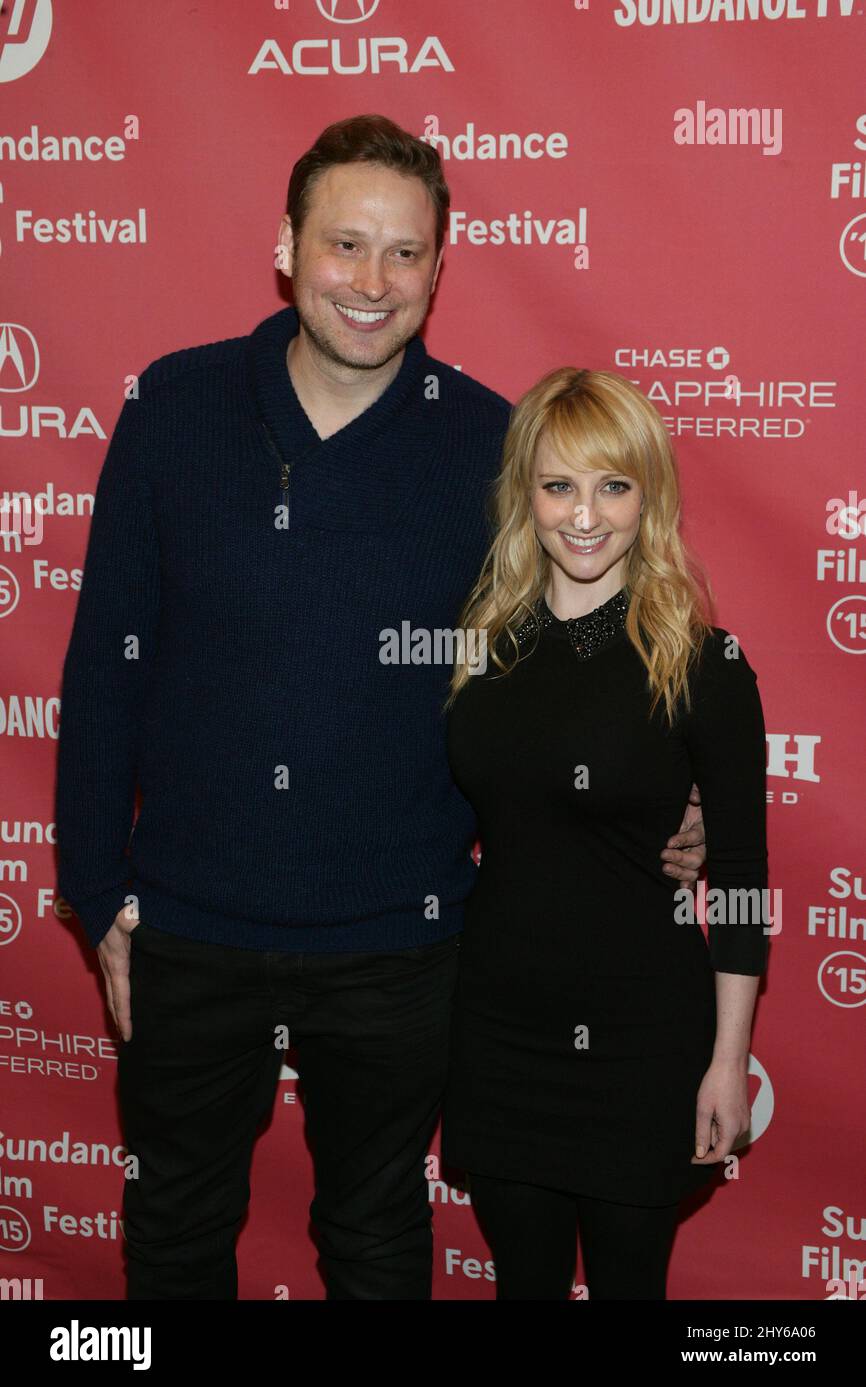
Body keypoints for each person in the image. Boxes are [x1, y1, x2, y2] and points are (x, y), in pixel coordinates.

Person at [55, 115, 706, 1301]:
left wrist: (668, 794)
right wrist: (98, 890)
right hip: (189, 927)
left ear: (440, 269)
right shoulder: (176, 407)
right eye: (345, 245)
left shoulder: (490, 443)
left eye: (404, 254)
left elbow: (571, 661)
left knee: (373, 1239)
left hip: (401, 938)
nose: (371, 282)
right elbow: (106, 662)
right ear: (284, 247)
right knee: (175, 1236)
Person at [440, 368, 770, 1300]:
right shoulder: (481, 652)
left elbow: (742, 881)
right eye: (559, 485)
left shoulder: (703, 664)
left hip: (643, 1042)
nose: (585, 515)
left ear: (648, 499)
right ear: (525, 498)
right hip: (499, 1031)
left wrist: (728, 1061)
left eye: (613, 486)